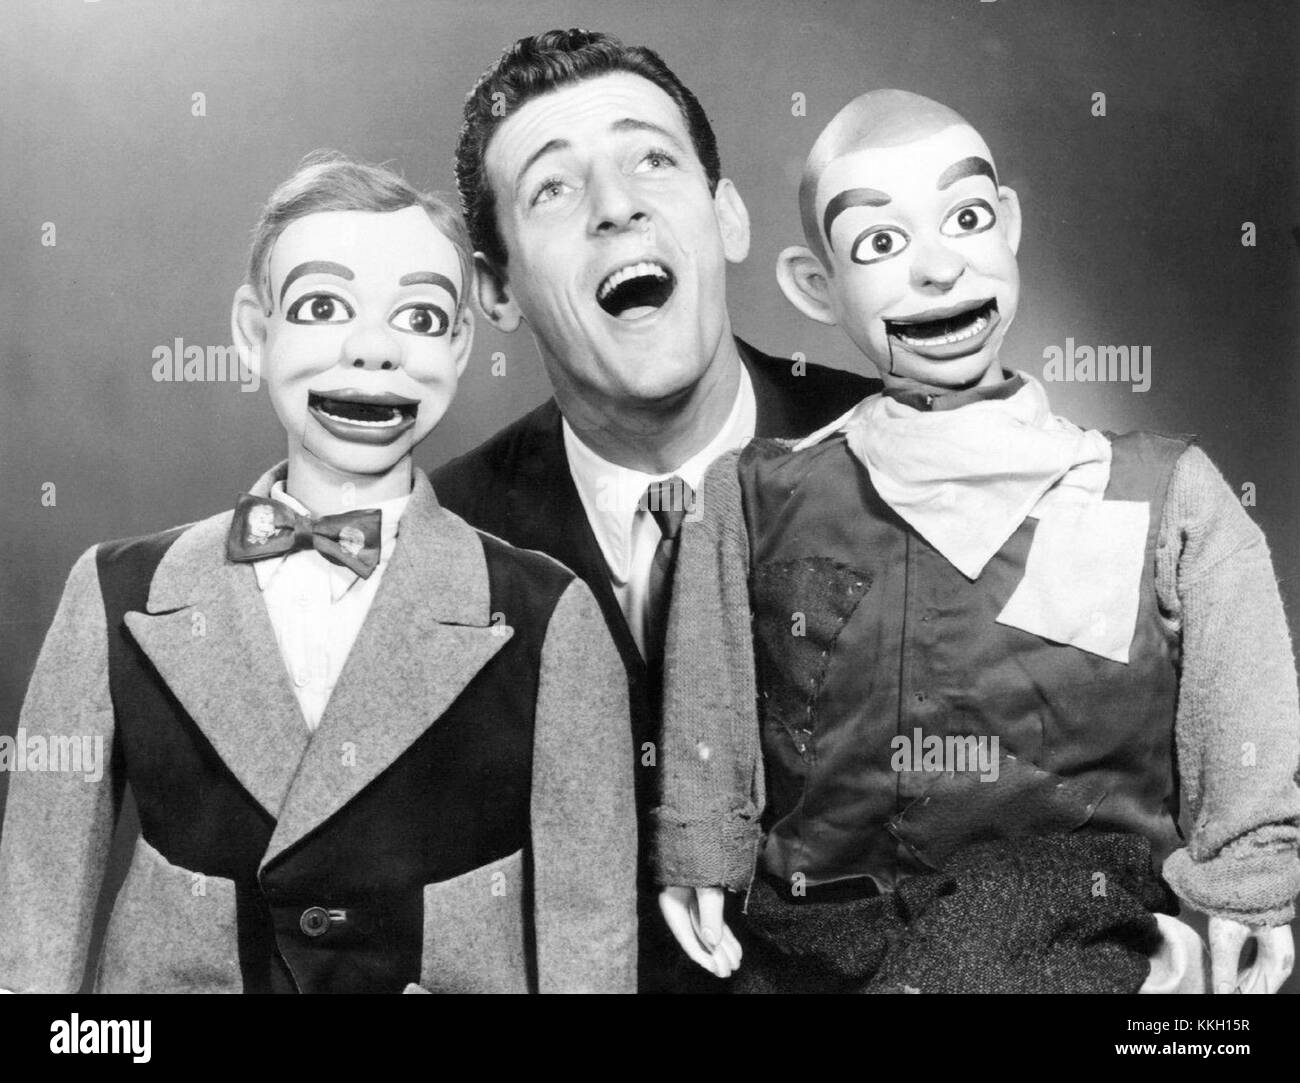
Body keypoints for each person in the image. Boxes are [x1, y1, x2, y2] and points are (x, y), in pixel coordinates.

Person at [654, 90, 1300, 994]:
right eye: (880, 243)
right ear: (814, 284)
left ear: (1011, 225)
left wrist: (1251, 881)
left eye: (966, 217)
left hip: (1081, 934)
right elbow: (711, 695)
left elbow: (1247, 707)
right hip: (820, 938)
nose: (939, 269)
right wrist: (700, 845)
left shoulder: (1165, 492)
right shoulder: (754, 495)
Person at [0, 152, 637, 994]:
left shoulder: (547, 614)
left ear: (457, 347)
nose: (372, 350)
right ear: (254, 334)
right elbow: (37, 912)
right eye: (323, 306)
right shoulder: (114, 592)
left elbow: (588, 930)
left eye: (417, 315)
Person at [430, 28, 878, 989]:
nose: (616, 206)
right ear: (497, 287)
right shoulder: (441, 548)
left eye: (652, 160)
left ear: (728, 218)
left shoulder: (907, 452)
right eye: (553, 187)